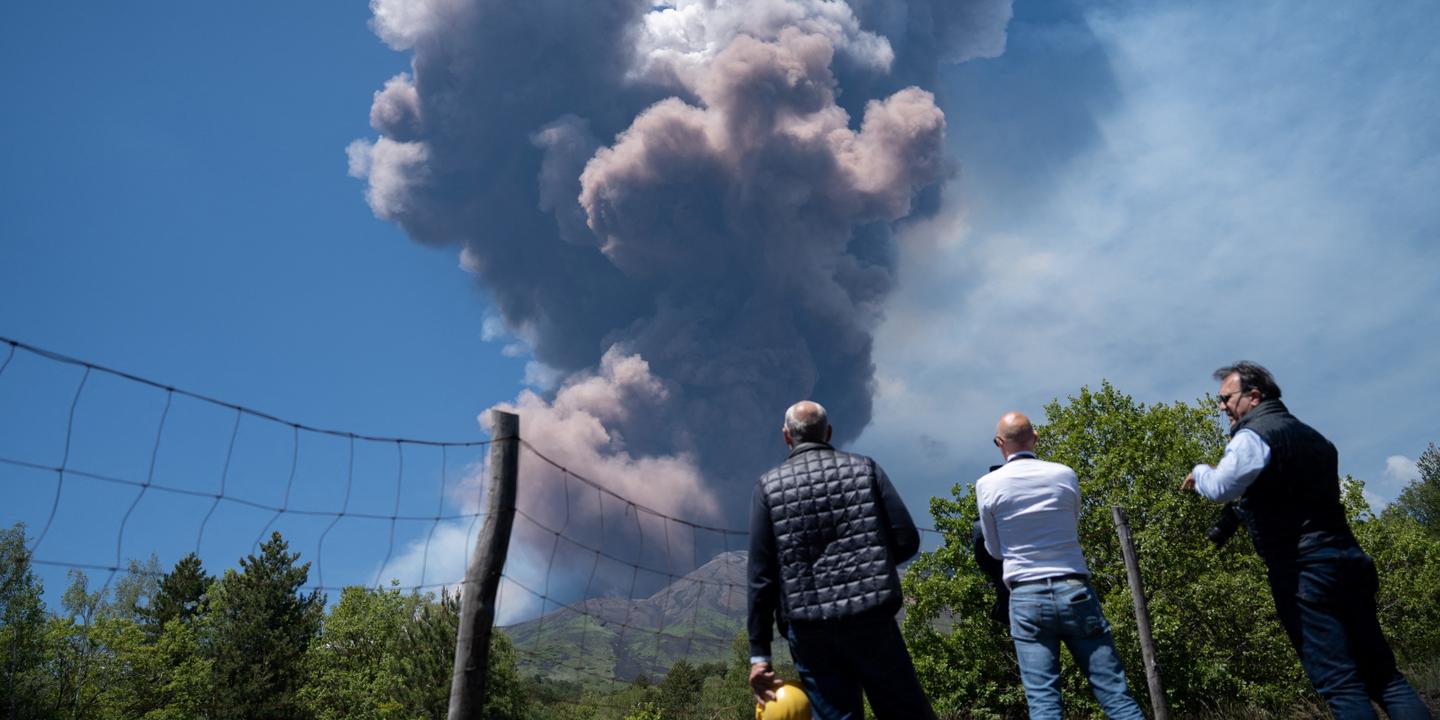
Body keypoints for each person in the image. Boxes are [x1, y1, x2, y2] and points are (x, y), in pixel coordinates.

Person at [1183, 362, 1431, 719]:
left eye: (1225, 398)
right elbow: (1282, 495)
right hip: (1349, 560)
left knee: (1341, 685)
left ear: (1253, 396)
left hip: (1305, 571)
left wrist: (1200, 472)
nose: (1221, 407)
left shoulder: (1254, 436)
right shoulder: (1317, 439)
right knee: (1385, 678)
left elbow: (1223, 486)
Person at [747, 400, 936, 720]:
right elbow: (906, 538)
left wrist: (759, 656)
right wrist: (874, 568)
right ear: (828, 432)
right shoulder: (865, 468)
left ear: (786, 436)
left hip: (810, 629)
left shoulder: (769, 487)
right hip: (872, 618)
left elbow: (761, 576)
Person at [975, 412, 1145, 720]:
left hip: (1026, 596)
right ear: (1036, 438)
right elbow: (1072, 520)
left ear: (999, 444)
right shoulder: (1064, 474)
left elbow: (995, 551)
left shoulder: (987, 485)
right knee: (1114, 695)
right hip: (1074, 588)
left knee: (1044, 703)